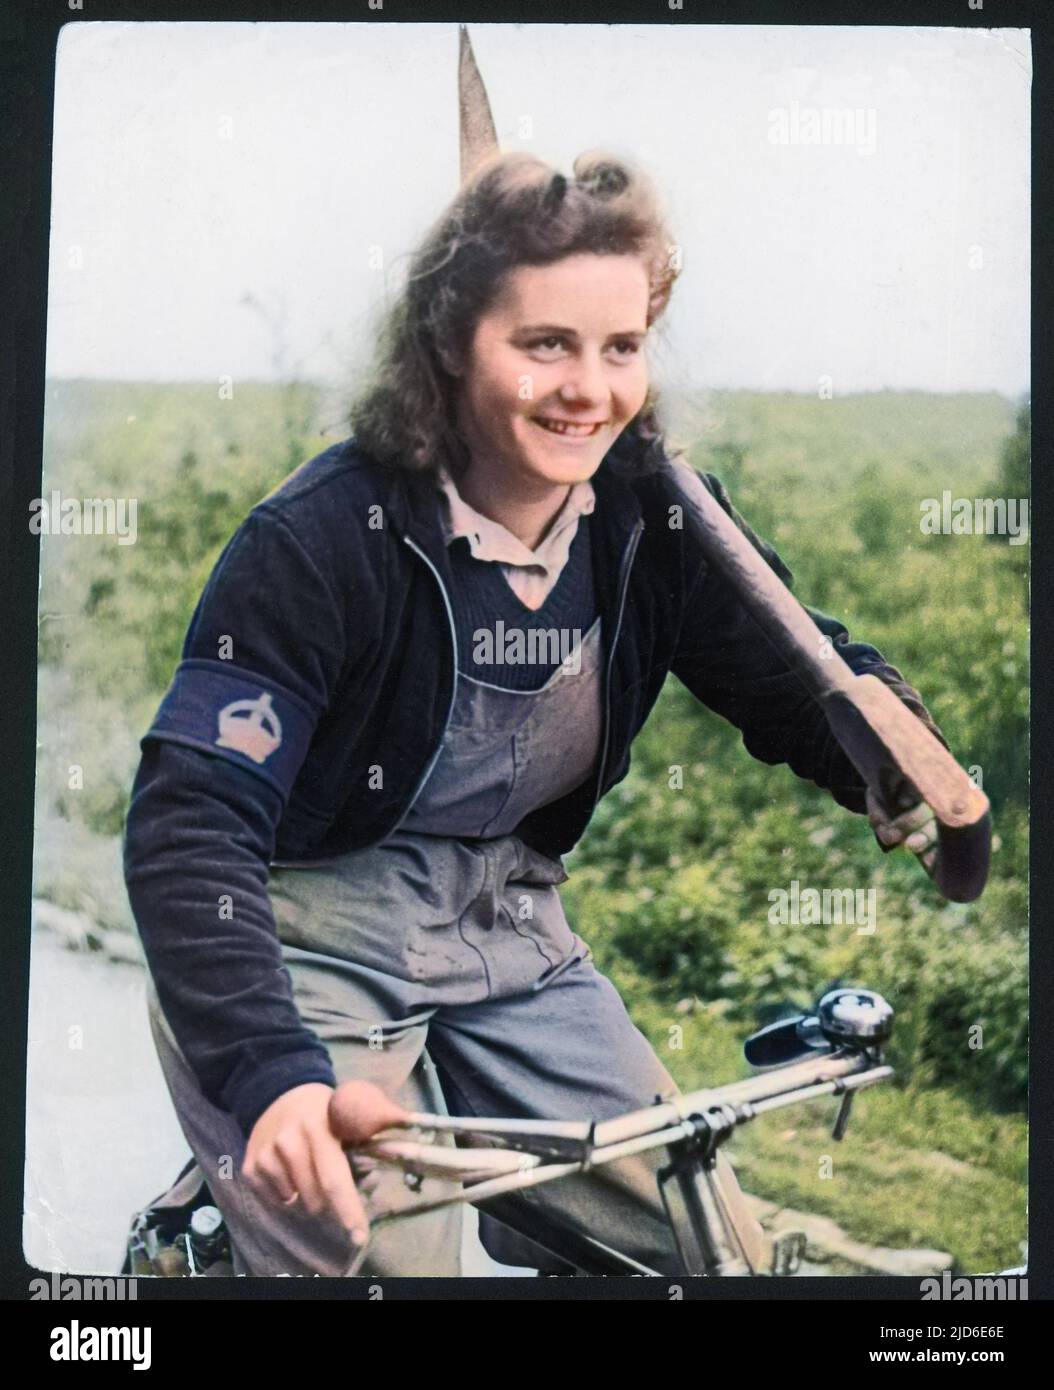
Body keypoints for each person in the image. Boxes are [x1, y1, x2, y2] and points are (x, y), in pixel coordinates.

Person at [123, 151, 944, 1277]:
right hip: (311, 933)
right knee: (376, 1263)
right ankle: (216, 1238)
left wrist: (883, 747)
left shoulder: (650, 518)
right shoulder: (318, 542)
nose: (589, 389)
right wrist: (267, 1076)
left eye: (621, 348)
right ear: (453, 347)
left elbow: (787, 663)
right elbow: (187, 824)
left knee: (705, 1252)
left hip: (511, 927)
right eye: (545, 344)